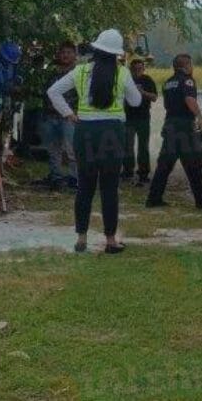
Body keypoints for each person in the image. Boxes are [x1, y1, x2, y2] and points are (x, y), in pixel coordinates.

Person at [47, 29, 142, 254]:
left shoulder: (80, 72)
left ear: (97, 49)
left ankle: (81, 238)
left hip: (85, 131)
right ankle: (110, 240)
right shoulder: (122, 73)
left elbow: (53, 91)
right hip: (112, 133)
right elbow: (136, 102)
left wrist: (69, 114)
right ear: (116, 54)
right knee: (109, 188)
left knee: (85, 187)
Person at [145, 54, 202, 209]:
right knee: (194, 163)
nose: (192, 67)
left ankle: (153, 198)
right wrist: (200, 117)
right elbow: (189, 100)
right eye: (191, 64)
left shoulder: (168, 83)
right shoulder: (187, 80)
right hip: (183, 126)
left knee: (164, 165)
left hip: (170, 124)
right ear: (185, 65)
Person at [41, 41, 79, 190]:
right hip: (51, 116)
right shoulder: (52, 73)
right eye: (63, 52)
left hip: (69, 116)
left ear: (75, 55)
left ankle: (75, 179)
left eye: (69, 52)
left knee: (72, 150)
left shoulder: (78, 74)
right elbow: (46, 94)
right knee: (53, 149)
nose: (65, 55)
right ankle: (55, 177)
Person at [123, 58, 157, 185]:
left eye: (140, 68)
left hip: (143, 117)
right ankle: (127, 170)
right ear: (130, 69)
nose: (138, 71)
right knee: (127, 145)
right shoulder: (126, 80)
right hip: (128, 117)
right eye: (135, 69)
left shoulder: (148, 80)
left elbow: (154, 98)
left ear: (143, 68)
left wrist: (142, 92)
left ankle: (143, 172)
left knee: (143, 146)